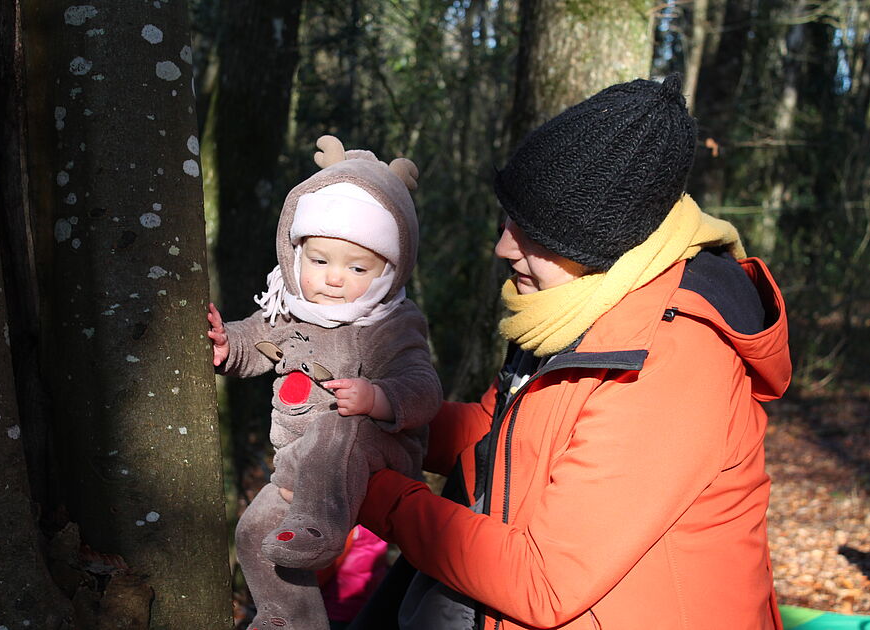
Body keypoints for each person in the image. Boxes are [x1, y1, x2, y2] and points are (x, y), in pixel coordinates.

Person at [352, 75, 792, 630]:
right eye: (509, 217)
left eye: (533, 231)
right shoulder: (578, 306)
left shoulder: (672, 358)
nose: (503, 246)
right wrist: (376, 415)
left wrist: (366, 490)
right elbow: (497, 431)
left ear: (599, 246)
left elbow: (546, 581)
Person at [207, 135, 441, 630]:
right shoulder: (293, 309)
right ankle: (289, 620)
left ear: (388, 270)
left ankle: (318, 526)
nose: (334, 279)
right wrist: (228, 346)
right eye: (319, 261)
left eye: (357, 267)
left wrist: (379, 398)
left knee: (340, 427)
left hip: (376, 454)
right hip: (299, 469)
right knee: (253, 534)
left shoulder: (389, 323)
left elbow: (424, 389)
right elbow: (256, 338)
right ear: (296, 254)